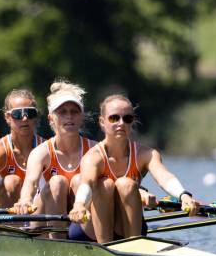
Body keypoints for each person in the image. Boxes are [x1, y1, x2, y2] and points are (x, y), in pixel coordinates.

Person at [67, 94, 198, 243]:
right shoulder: (93, 157)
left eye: (127, 119)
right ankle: (106, 249)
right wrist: (78, 204)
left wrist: (184, 195)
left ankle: (134, 247)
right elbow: (87, 183)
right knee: (105, 185)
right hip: (91, 230)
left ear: (132, 122)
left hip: (128, 227)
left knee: (126, 184)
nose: (121, 123)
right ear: (102, 122)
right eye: (114, 118)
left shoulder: (146, 154)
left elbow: (164, 177)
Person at [11, 80, 94, 223]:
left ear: (81, 117)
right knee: (57, 182)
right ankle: (57, 239)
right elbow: (30, 183)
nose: (69, 116)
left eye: (74, 112)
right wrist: (25, 199)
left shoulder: (95, 150)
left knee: (79, 180)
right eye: (62, 112)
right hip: (44, 221)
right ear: (51, 118)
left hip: (82, 220)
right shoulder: (41, 153)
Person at [0, 89, 42, 208]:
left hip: (37, 207)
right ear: (7, 117)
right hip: (9, 209)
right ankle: (11, 225)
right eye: (17, 114)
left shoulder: (46, 147)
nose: (24, 118)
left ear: (35, 116)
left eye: (30, 113)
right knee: (12, 180)